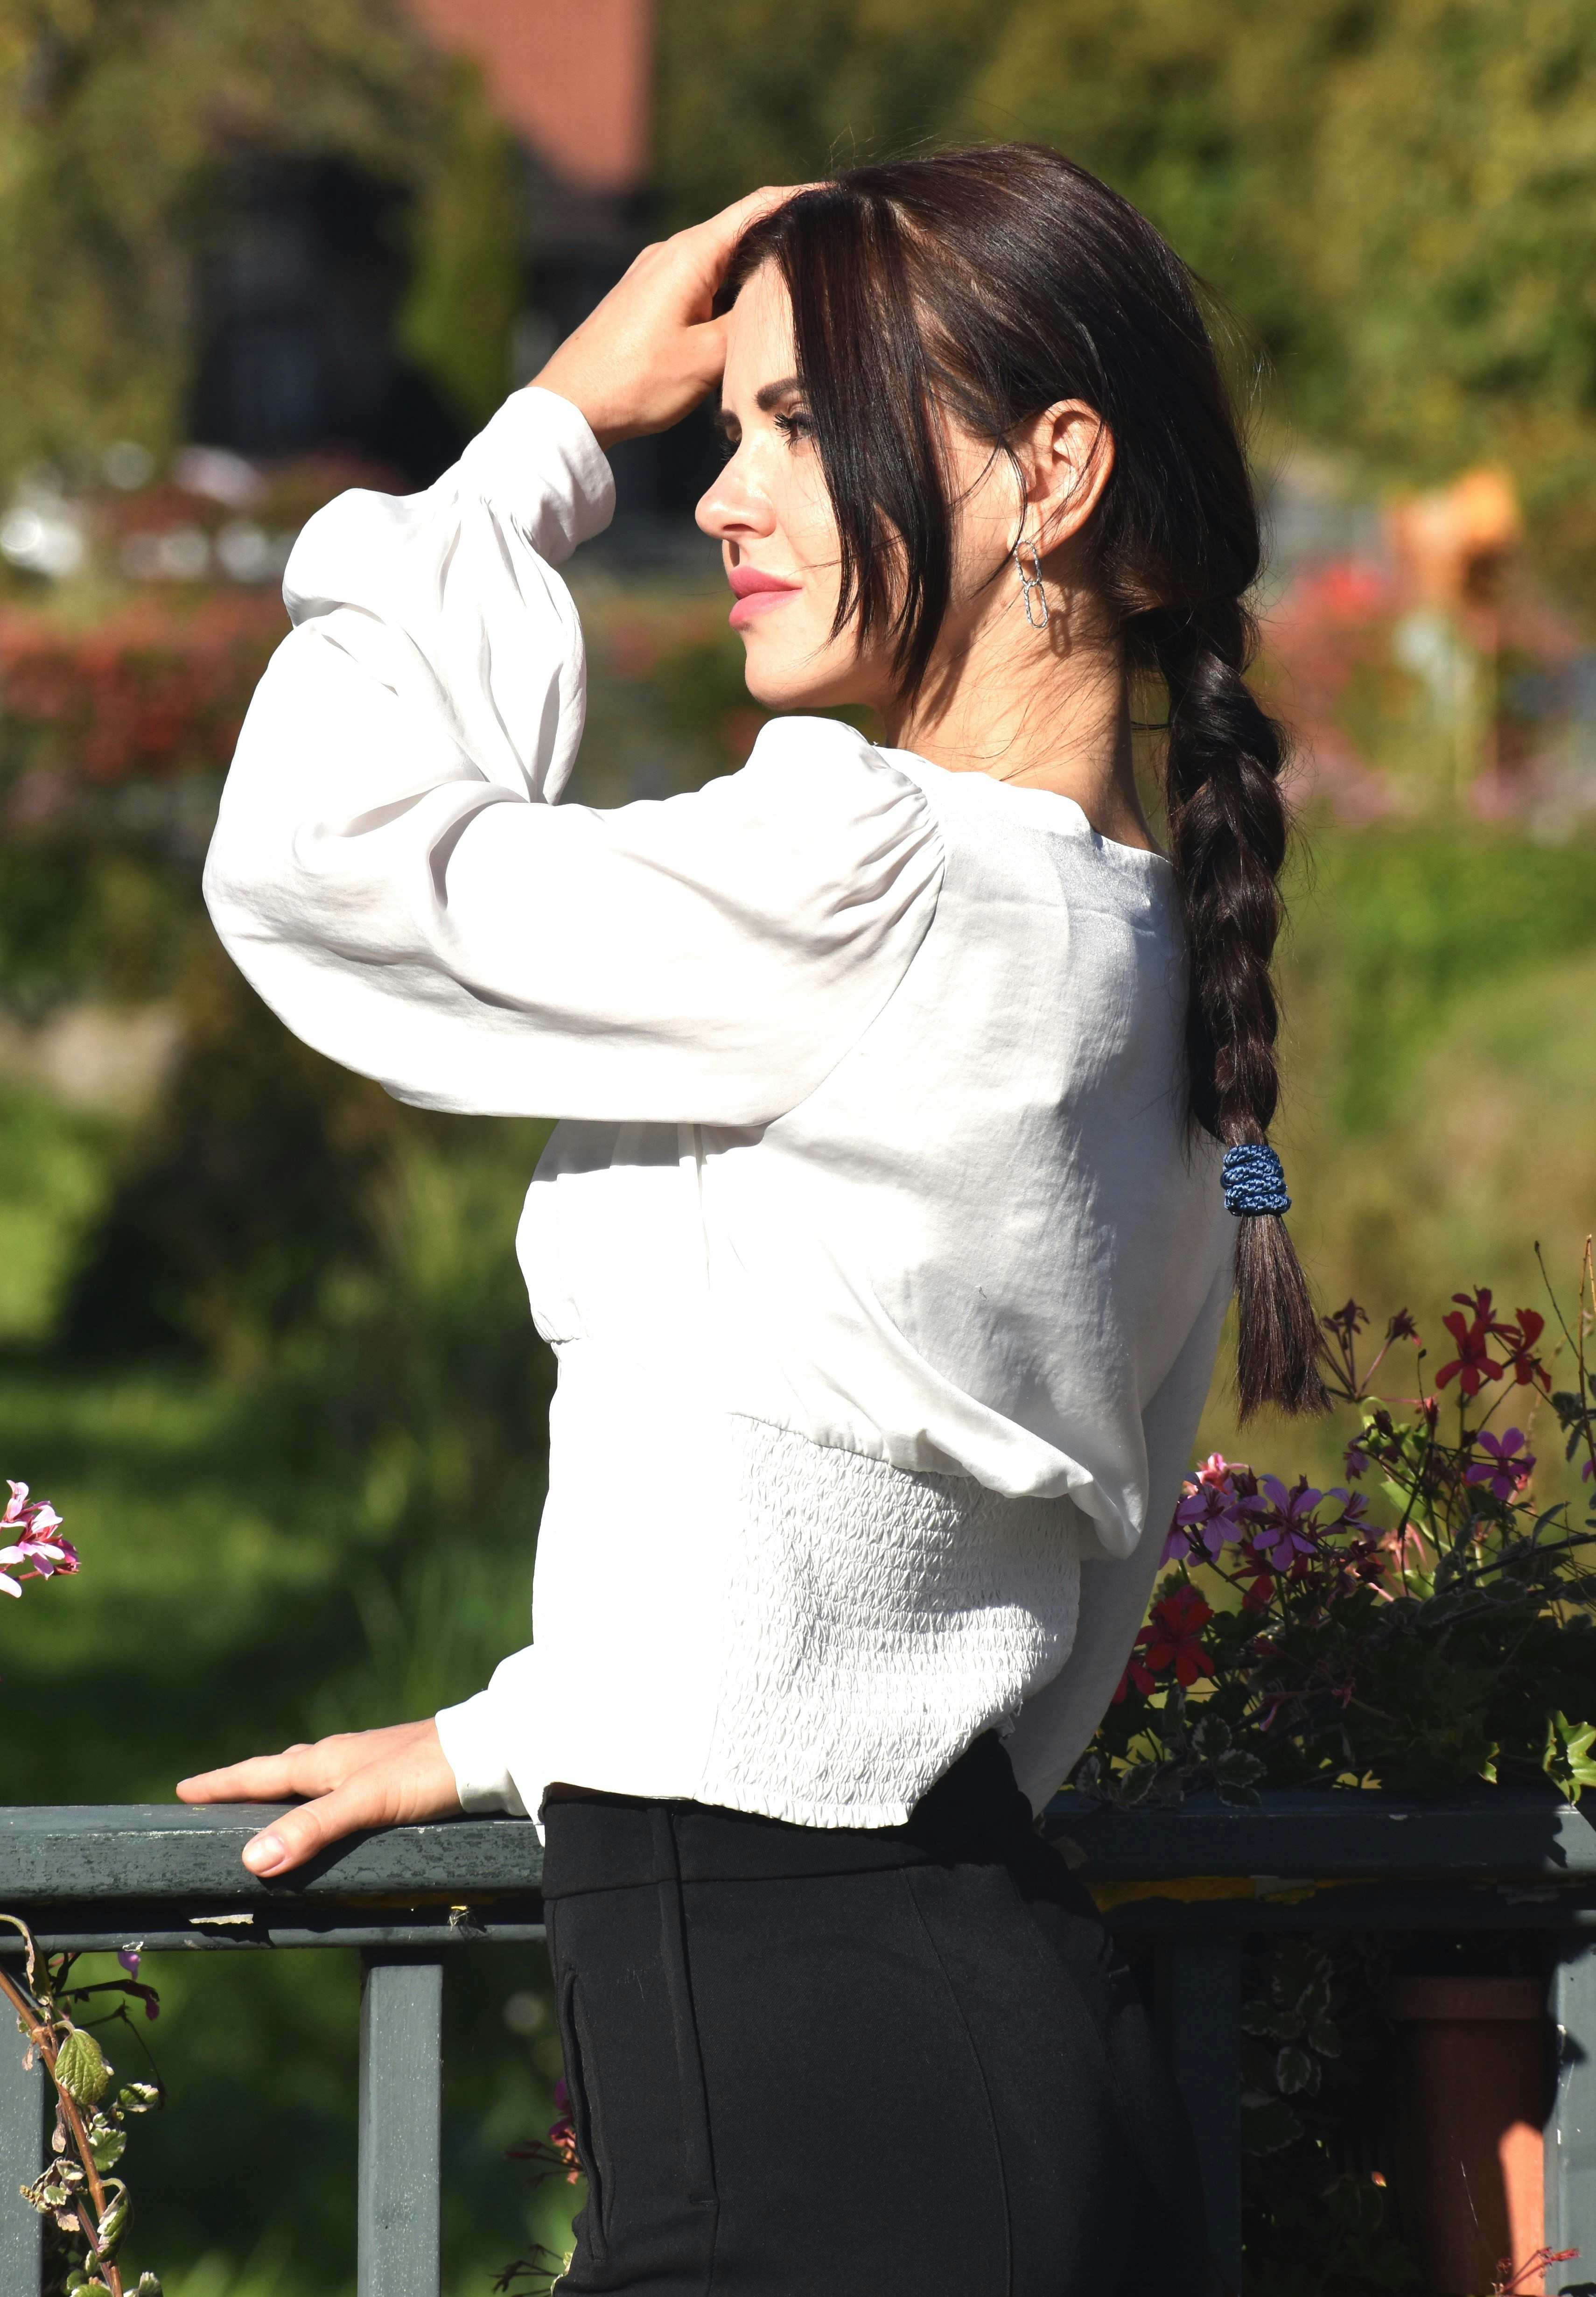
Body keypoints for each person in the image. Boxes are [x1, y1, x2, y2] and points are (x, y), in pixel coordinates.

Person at [180, 145, 1324, 2294]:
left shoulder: (863, 867)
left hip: (811, 2083)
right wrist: (533, 1727)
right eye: (717, 426)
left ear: (1050, 475)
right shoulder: (1163, 961)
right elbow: (1028, 1558)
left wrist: (546, 437)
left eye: (796, 421)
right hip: (994, 2027)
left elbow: (325, 866)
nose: (716, 492)